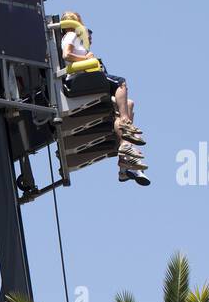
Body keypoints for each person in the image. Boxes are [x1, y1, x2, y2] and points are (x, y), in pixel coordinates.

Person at [60, 12, 147, 181]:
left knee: (129, 104)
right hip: (80, 78)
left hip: (86, 76)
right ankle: (126, 125)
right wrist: (86, 58)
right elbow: (66, 55)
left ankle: (125, 160)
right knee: (121, 83)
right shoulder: (71, 34)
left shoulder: (76, 39)